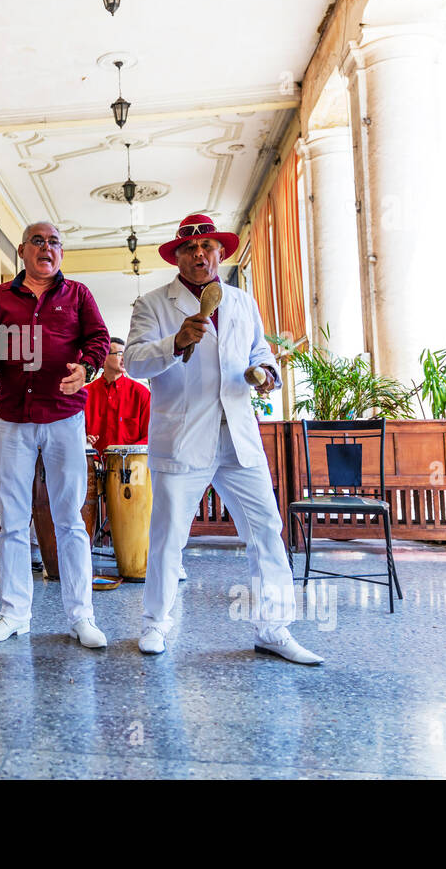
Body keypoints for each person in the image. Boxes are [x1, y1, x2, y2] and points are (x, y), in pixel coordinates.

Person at [123, 213, 323, 664]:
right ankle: (156, 623)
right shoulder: (153, 304)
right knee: (168, 536)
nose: (199, 255)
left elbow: (259, 352)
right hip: (181, 436)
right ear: (177, 257)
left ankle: (273, 628)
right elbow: (134, 362)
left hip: (238, 437)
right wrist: (174, 343)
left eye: (208, 247)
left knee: (267, 530)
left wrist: (265, 372)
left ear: (220, 253)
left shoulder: (242, 301)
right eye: (190, 249)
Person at [0, 222, 111, 647]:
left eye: (54, 243)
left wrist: (87, 366)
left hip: (65, 417)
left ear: (60, 252)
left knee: (70, 519)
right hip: (12, 418)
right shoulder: (0, 297)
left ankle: (81, 617)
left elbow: (99, 339)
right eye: (38, 242)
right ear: (22, 251)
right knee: (13, 519)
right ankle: (15, 615)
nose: (47, 248)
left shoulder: (78, 295)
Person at [83, 338, 150, 455]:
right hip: (91, 466)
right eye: (119, 354)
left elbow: (150, 436)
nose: (125, 358)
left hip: (130, 467)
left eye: (126, 354)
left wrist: (124, 456)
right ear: (104, 357)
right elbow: (72, 434)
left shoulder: (141, 393)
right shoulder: (84, 394)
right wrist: (83, 439)